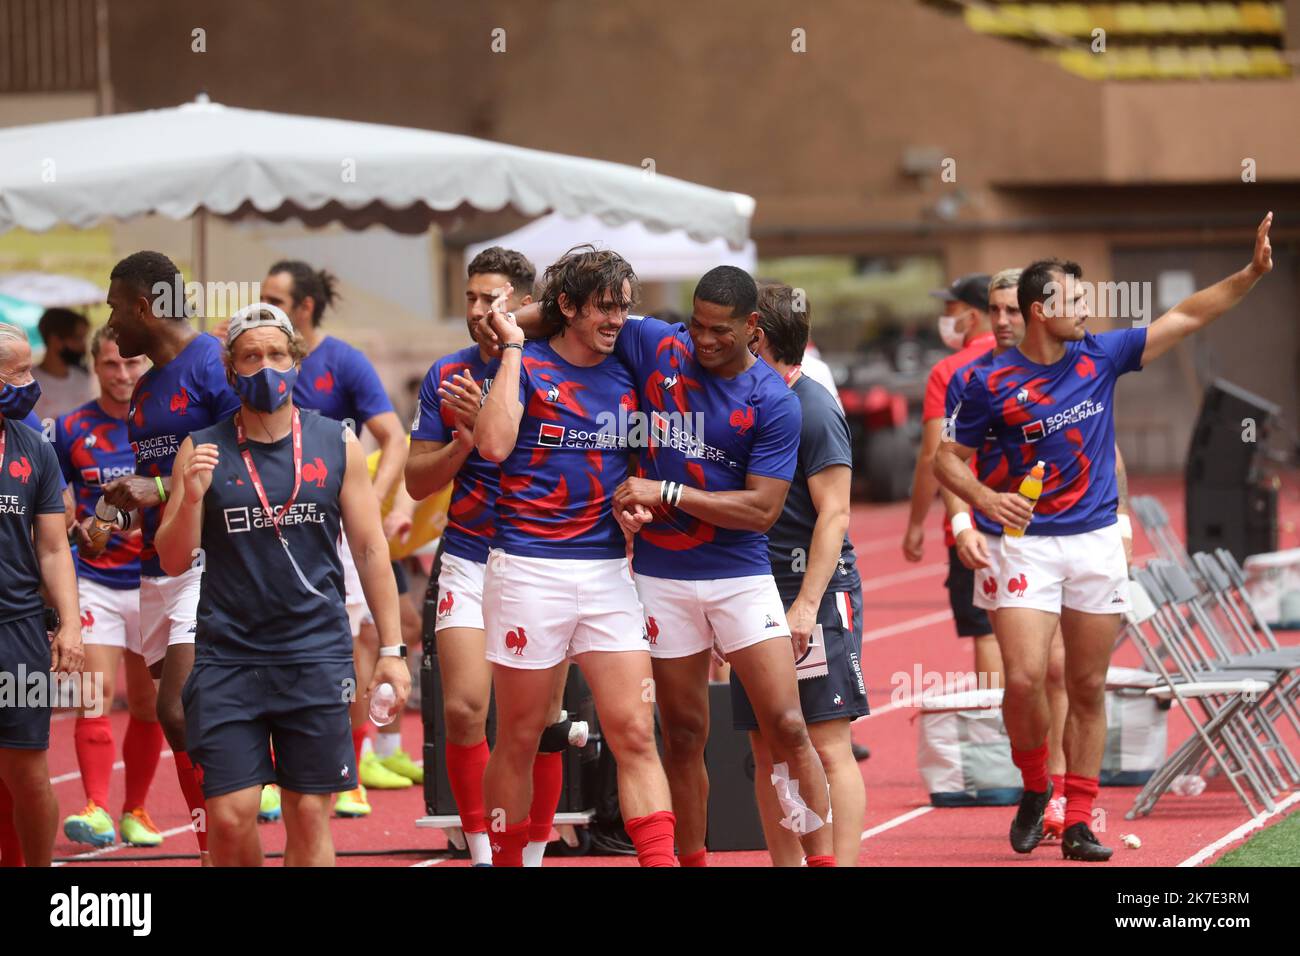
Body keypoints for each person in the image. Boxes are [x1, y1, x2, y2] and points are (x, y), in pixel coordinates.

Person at [936, 213, 1274, 861]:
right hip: (1024, 546)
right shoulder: (987, 381)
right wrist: (981, 499)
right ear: (1039, 311)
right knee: (1026, 680)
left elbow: (1187, 316)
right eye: (1076, 302)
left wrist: (1251, 274)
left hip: (1093, 543)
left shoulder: (1103, 355)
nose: (1089, 311)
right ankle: (1037, 787)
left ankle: (1083, 818)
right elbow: (947, 458)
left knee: (1088, 687)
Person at [155, 303, 409, 867]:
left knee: (308, 814)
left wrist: (391, 650)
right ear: (230, 370)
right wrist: (191, 497)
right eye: (250, 357)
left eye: (276, 355)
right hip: (227, 657)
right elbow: (173, 561)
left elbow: (369, 550)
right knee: (229, 815)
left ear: (294, 361)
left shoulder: (336, 441)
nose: (264, 367)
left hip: (315, 655)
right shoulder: (200, 448)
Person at [474, 247, 676, 867]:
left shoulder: (630, 372)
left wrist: (640, 505)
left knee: (636, 733)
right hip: (529, 571)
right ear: (566, 306)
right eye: (603, 307)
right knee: (521, 736)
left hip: (609, 572)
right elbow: (493, 443)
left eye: (622, 306)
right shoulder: (525, 365)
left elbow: (646, 461)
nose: (617, 319)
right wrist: (511, 346)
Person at [406, 247, 577, 867]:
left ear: (521, 304)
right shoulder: (447, 374)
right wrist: (459, 442)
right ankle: (481, 851)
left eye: (491, 299)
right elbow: (416, 482)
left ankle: (530, 850)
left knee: (537, 719)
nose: (476, 310)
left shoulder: (557, 366)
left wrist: (495, 428)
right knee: (463, 707)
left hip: (543, 558)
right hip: (470, 555)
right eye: (471, 297)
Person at [102, 250, 242, 865]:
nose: (108, 322)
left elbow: (249, 457)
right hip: (154, 571)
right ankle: (220, 843)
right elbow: (146, 479)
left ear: (142, 305)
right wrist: (105, 521)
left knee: (178, 709)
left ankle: (229, 840)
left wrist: (159, 490)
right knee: (185, 721)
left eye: (113, 307)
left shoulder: (211, 363)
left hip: (211, 562)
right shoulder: (146, 387)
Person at [259, 260, 413, 817]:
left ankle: (346, 768)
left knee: (347, 646)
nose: (262, 303)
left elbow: (394, 437)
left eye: (274, 297)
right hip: (262, 527)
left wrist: (373, 502)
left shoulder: (342, 361)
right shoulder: (253, 358)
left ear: (304, 308)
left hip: (330, 531)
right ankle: (265, 769)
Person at [739, 283, 867, 866]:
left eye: (728, 328)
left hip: (809, 592)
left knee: (826, 743)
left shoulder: (813, 407)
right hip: (749, 594)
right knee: (766, 749)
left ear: (756, 335)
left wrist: (806, 605)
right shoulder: (741, 402)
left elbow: (835, 514)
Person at [53, 327, 165, 849]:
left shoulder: (166, 425)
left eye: (132, 364)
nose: (122, 375)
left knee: (150, 707)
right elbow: (53, 502)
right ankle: (95, 807)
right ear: (95, 366)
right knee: (92, 697)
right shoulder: (71, 428)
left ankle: (135, 810)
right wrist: (72, 527)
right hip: (95, 583)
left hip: (155, 581)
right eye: (111, 365)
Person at [0, 321, 84, 867]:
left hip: (18, 632)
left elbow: (53, 549)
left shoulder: (35, 447)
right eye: (18, 372)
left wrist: (71, 625)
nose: (31, 382)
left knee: (29, 773)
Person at [903, 274, 1001, 686]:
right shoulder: (1033, 360)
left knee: (986, 627)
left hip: (971, 525)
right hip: (1036, 518)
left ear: (973, 315)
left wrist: (915, 524)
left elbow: (932, 456)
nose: (944, 318)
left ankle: (999, 734)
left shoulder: (949, 371)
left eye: (950, 310)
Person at [32, 308, 95, 423]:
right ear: (55, 340)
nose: (83, 346)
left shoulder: (82, 379)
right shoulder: (29, 384)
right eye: (78, 338)